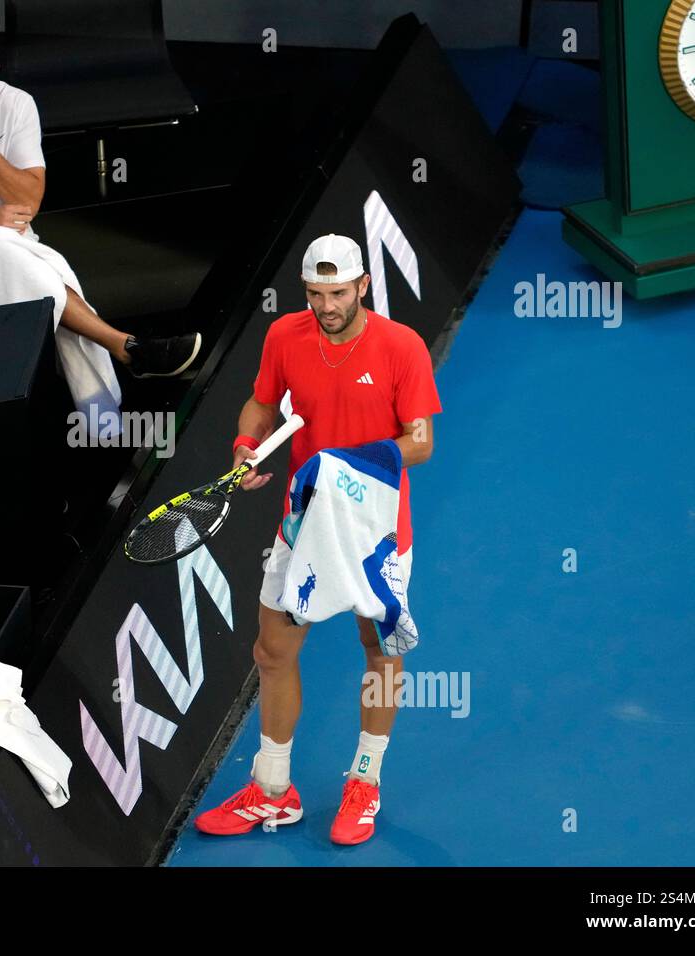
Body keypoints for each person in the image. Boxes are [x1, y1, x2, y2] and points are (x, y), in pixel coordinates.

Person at [195, 234, 442, 846]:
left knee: (379, 652)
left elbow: (420, 442)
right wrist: (245, 447)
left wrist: (345, 465)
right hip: (302, 524)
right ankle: (274, 790)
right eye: (313, 294)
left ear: (362, 285)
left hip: (375, 533)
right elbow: (260, 404)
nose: (326, 305)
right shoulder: (286, 336)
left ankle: (365, 781)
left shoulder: (401, 347)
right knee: (272, 651)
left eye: (337, 293)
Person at [0, 17, 201, 416]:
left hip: (13, 245)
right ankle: (123, 356)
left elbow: (29, 201)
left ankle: (110, 405)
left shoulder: (16, 105)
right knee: (15, 254)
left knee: (19, 261)